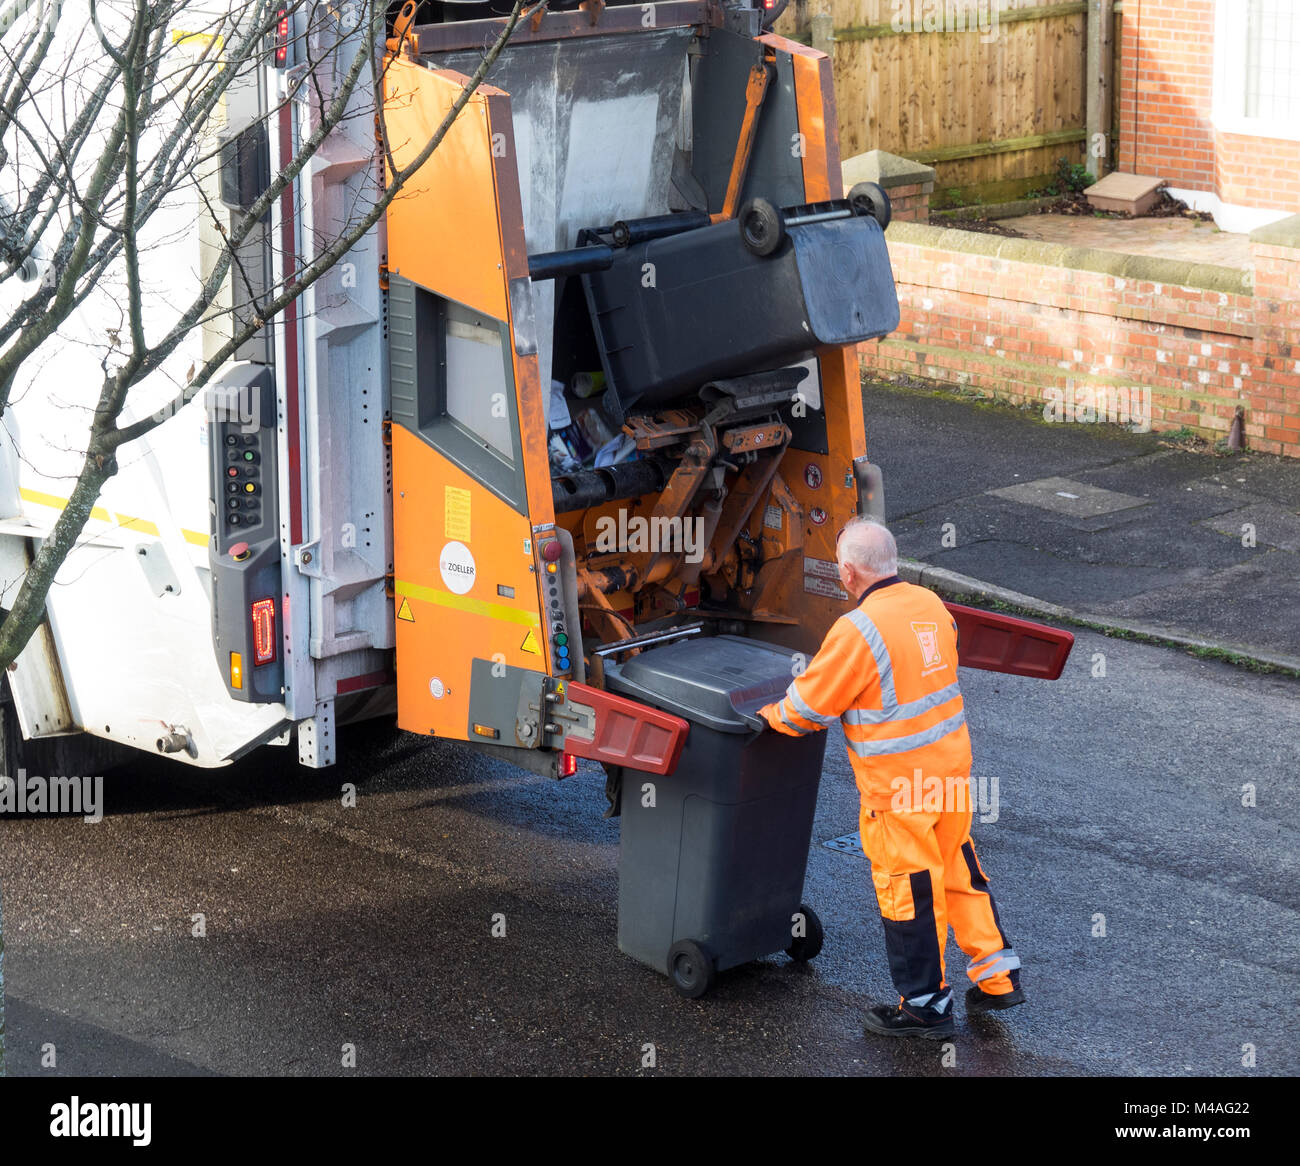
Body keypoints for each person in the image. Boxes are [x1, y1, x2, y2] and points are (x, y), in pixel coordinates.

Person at [757, 517, 1023, 1039]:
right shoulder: (932, 604)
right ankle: (998, 978)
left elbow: (807, 709)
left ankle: (925, 1007)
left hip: (899, 790)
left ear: (848, 573)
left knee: (910, 889)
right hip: (949, 772)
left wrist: (767, 718)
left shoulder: (857, 629)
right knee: (958, 870)